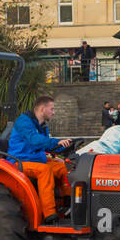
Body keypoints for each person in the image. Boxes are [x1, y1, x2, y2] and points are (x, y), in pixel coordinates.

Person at [7, 96, 74, 224]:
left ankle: (69, 203)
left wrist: (66, 147)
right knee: (45, 170)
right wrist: (57, 142)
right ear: (43, 109)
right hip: (20, 161)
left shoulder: (42, 126)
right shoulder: (24, 122)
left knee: (67, 167)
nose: (53, 112)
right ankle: (49, 214)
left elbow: (47, 145)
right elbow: (35, 140)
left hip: (37, 159)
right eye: (52, 109)